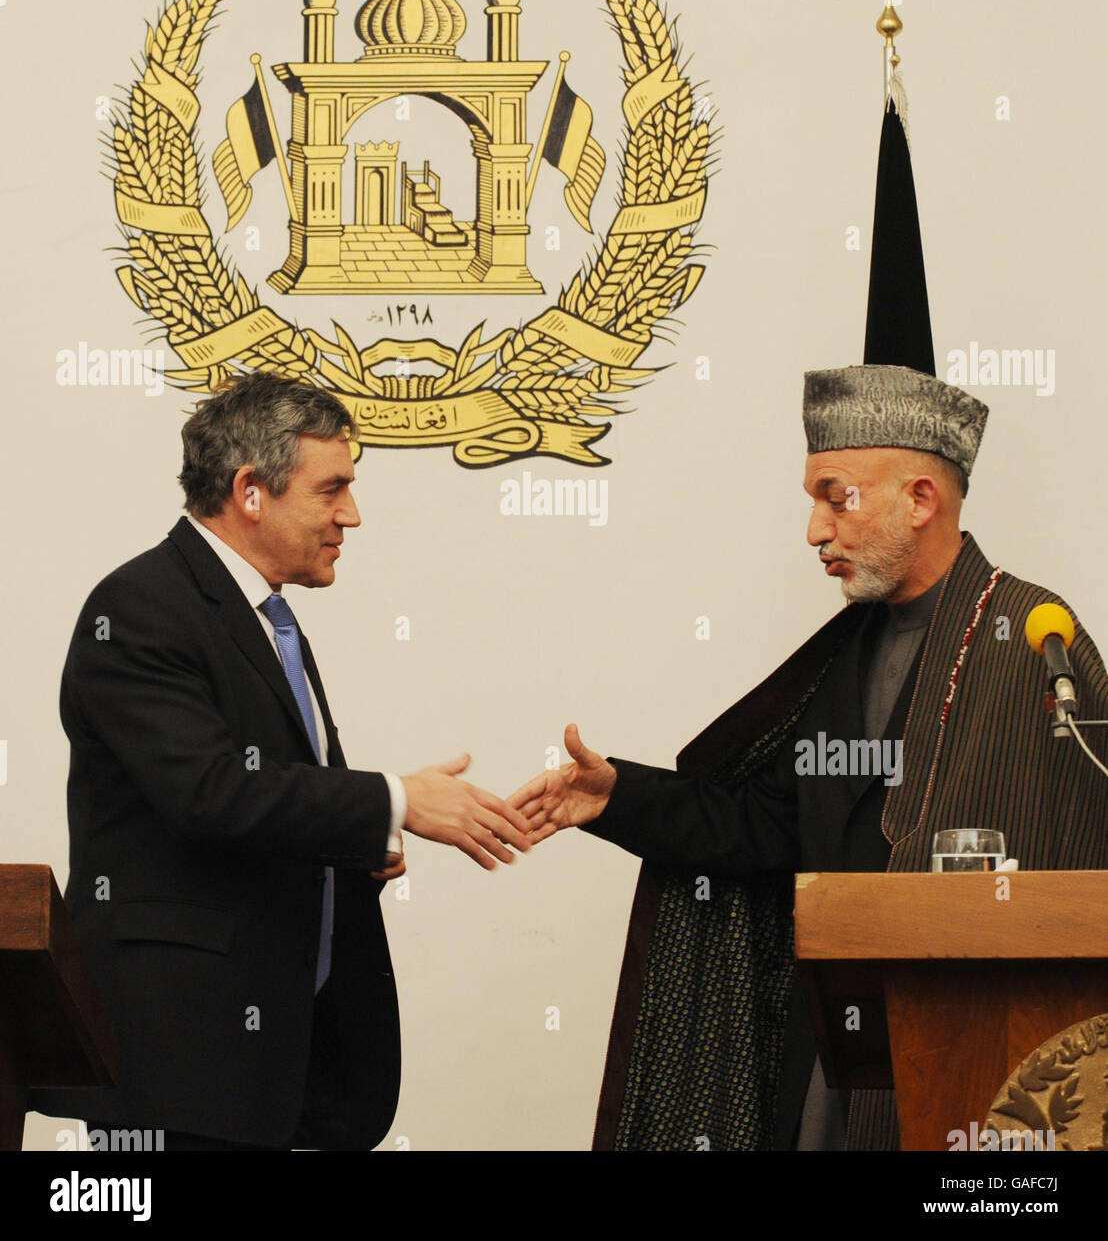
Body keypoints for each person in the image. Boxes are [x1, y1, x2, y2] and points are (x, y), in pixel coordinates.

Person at [509, 94, 1108, 1151]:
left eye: (836, 494)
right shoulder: (849, 658)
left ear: (922, 497)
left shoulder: (1034, 640)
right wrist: (620, 797)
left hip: (992, 1097)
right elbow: (771, 835)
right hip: (839, 1072)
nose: (812, 529)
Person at [31, 372, 530, 1150]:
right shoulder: (137, 609)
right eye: (332, 489)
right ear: (250, 491)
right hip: (184, 1069)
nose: (352, 516)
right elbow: (209, 793)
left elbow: (259, 798)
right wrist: (394, 801)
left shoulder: (267, 615)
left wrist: (354, 848)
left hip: (281, 1067)